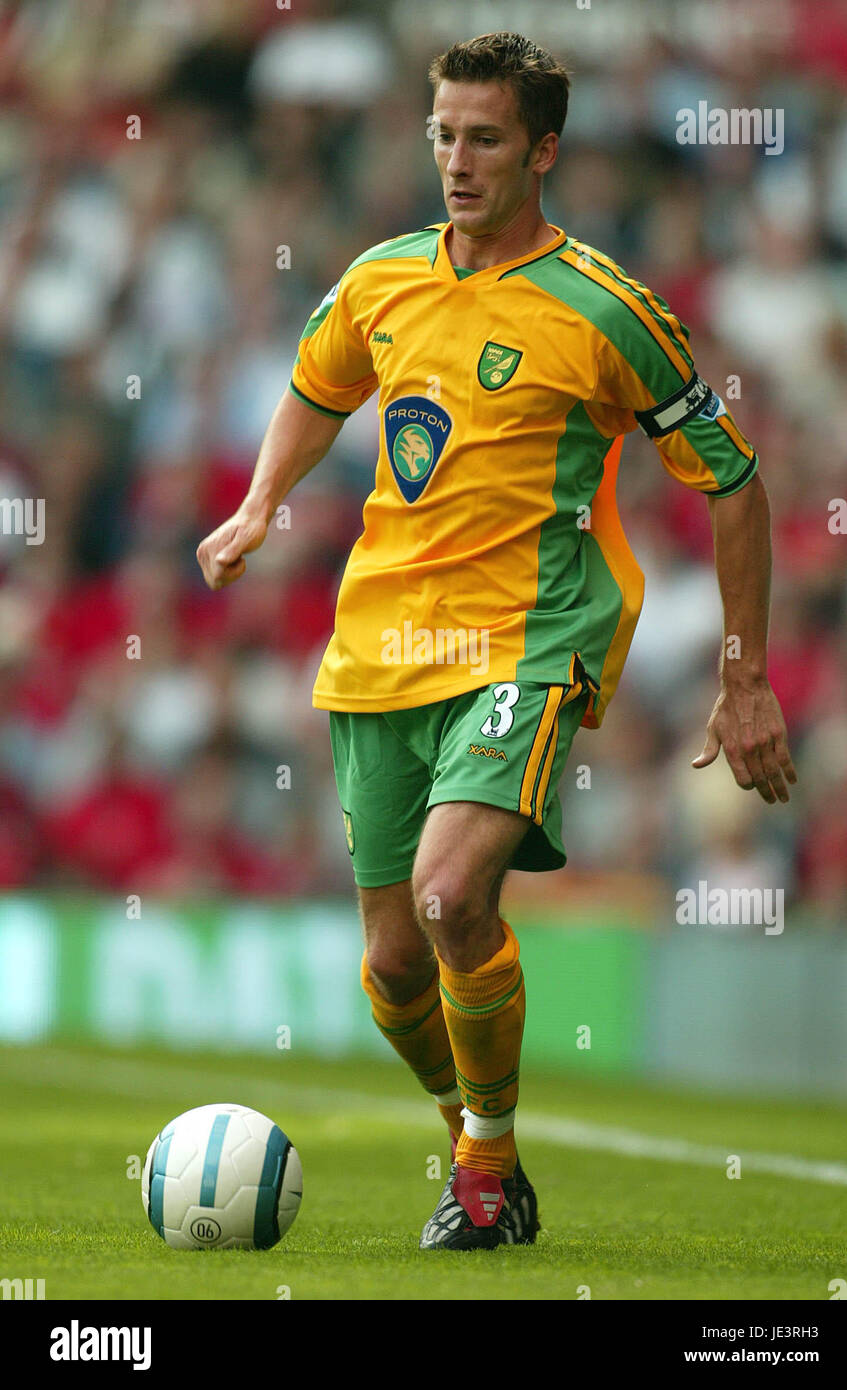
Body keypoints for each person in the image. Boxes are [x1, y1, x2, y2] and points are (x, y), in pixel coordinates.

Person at [196, 31, 797, 1251]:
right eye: (441, 135)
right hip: (377, 651)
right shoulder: (379, 280)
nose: (456, 162)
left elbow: (732, 485)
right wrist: (261, 501)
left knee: (446, 892)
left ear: (541, 151)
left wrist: (744, 679)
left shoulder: (608, 310)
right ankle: (483, 1143)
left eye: (482, 139)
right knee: (392, 968)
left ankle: (480, 1166)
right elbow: (317, 391)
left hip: (527, 646)